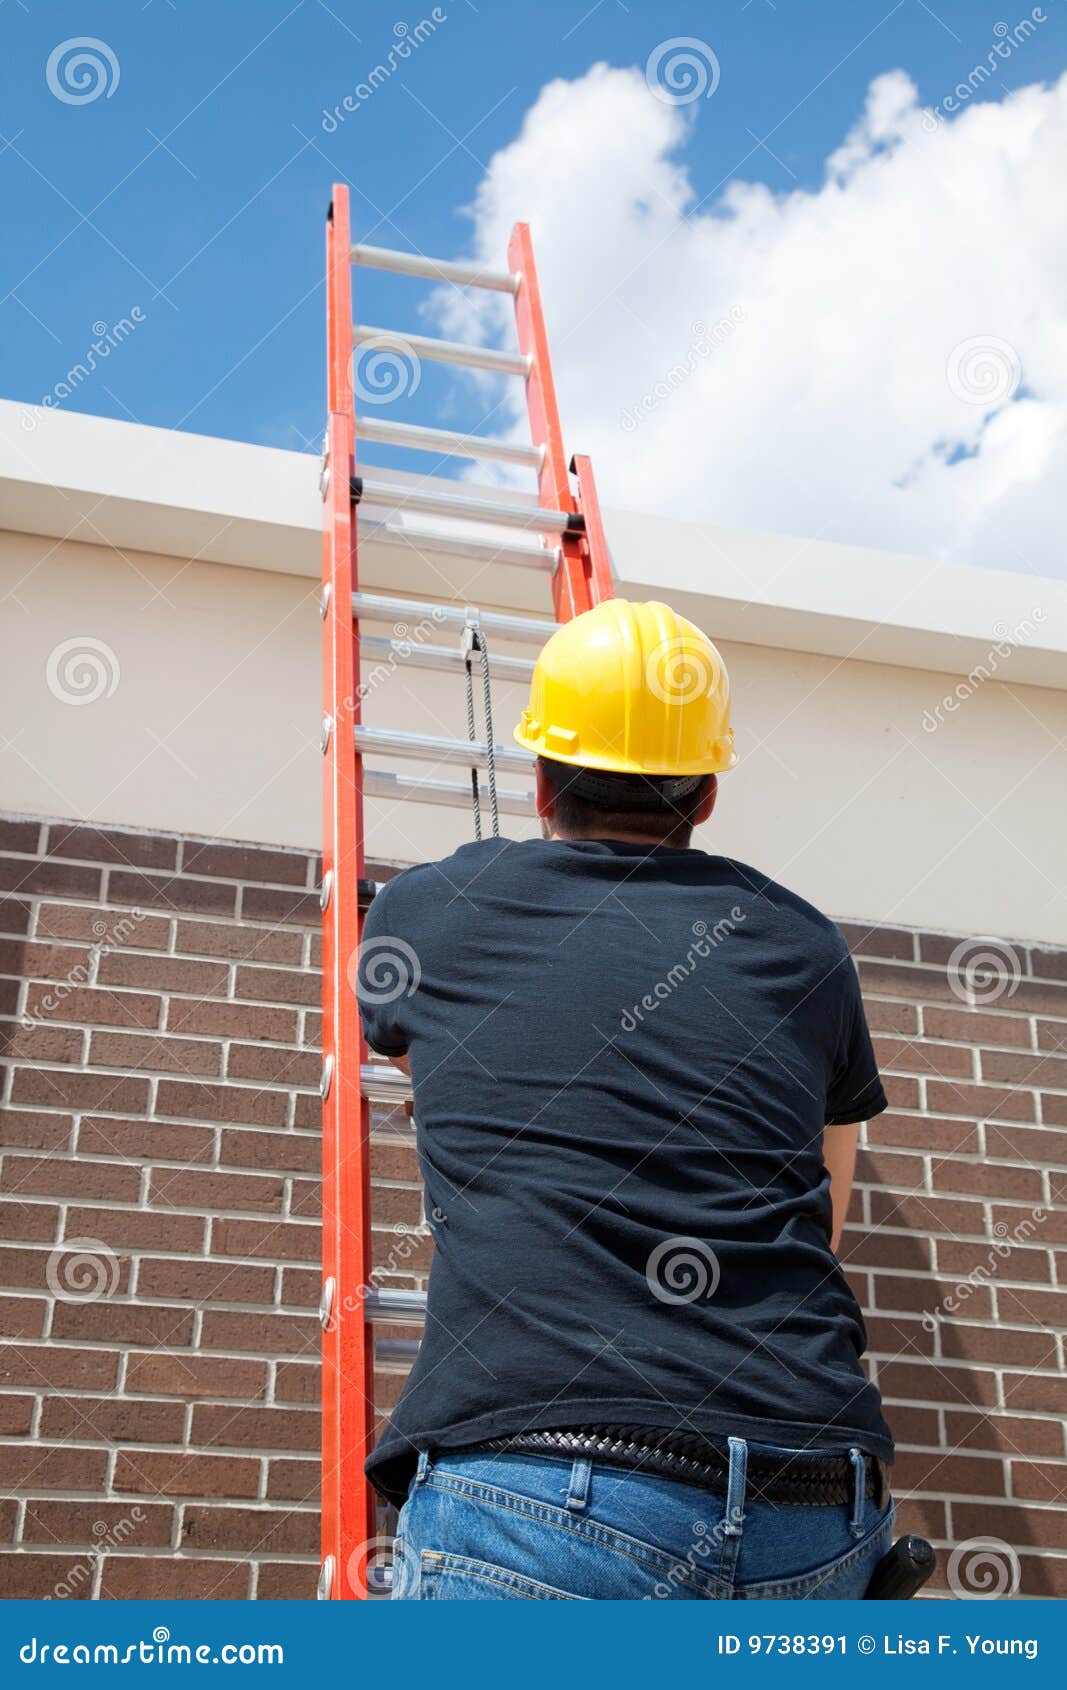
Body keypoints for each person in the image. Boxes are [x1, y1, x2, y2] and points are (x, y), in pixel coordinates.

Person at [357, 597, 894, 1601]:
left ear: (537, 776)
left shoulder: (428, 912)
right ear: (707, 793)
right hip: (812, 1494)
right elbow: (826, 1215)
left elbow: (401, 1055)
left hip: (539, 1491)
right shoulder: (802, 943)